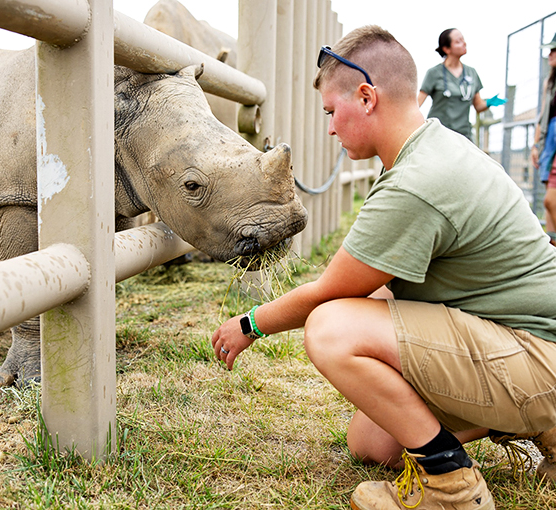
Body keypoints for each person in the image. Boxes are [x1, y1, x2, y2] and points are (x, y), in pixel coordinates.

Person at [211, 25, 556, 510]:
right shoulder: (432, 149)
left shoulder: (417, 180)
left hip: (538, 356)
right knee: (373, 443)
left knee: (331, 328)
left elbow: (326, 295)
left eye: (332, 111)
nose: (330, 127)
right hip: (523, 343)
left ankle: (452, 486)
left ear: (367, 97)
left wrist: (251, 324)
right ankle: (534, 421)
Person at [418, 28, 506, 140]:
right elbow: (418, 104)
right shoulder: (434, 73)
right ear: (446, 49)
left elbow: (478, 106)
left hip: (463, 135)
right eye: (458, 41)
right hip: (438, 135)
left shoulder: (471, 72)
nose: (464, 43)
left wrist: (489, 102)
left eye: (463, 40)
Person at [532, 32, 556, 246]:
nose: (550, 54)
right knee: (549, 205)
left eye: (554, 50)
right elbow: (542, 115)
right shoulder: (549, 82)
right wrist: (536, 144)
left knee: (550, 201)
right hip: (550, 144)